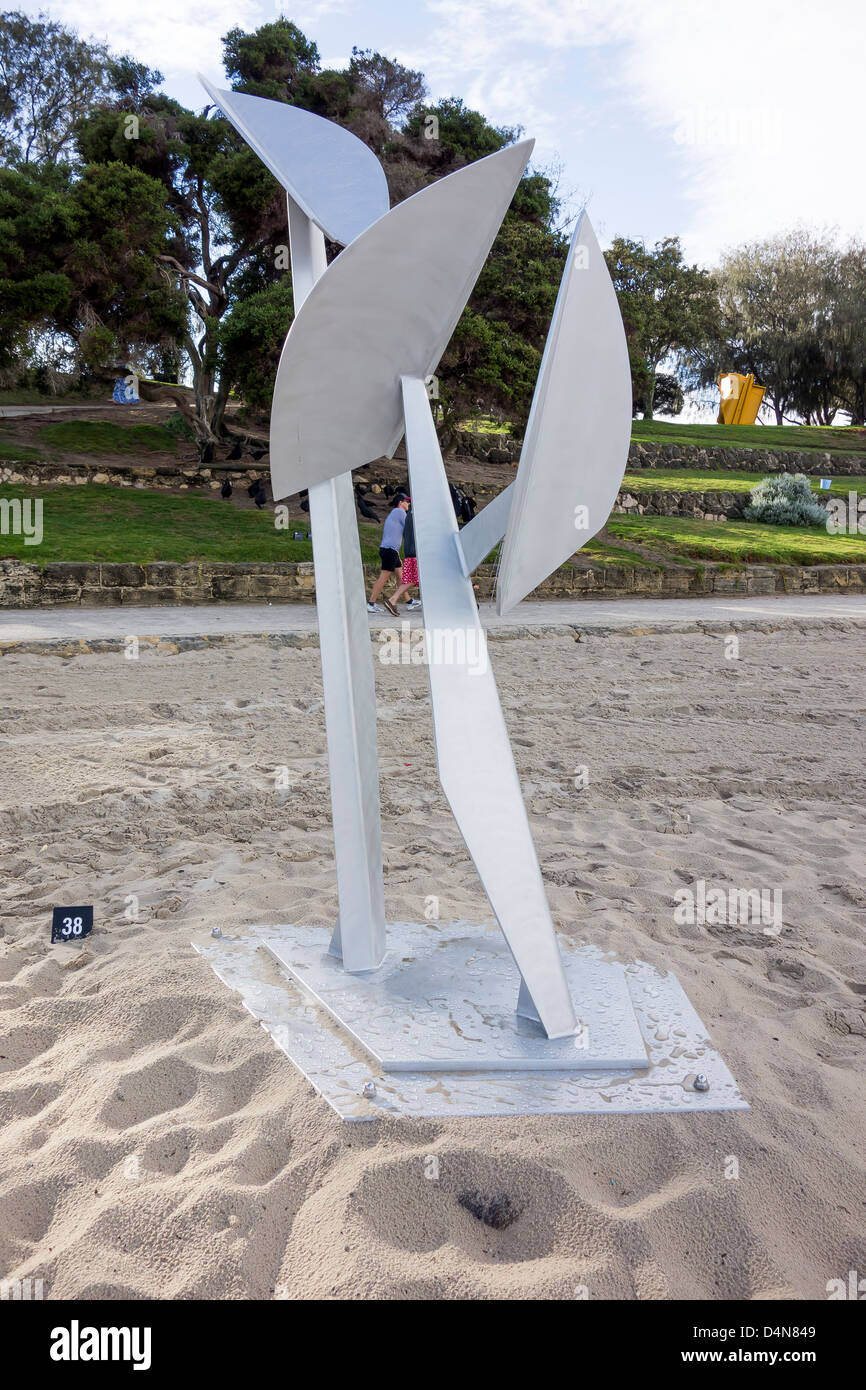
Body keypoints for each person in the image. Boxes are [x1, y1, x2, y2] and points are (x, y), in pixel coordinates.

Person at [367, 493, 410, 615]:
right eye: (406, 501)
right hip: (389, 550)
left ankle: (409, 601)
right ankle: (371, 604)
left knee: (400, 575)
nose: (408, 504)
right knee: (384, 577)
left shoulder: (395, 513)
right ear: (400, 502)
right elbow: (410, 527)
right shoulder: (399, 512)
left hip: (391, 550)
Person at [391, 504, 421, 610]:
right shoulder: (419, 513)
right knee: (415, 578)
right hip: (417, 551)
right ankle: (393, 599)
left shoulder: (409, 514)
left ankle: (393, 599)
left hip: (409, 551)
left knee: (413, 579)